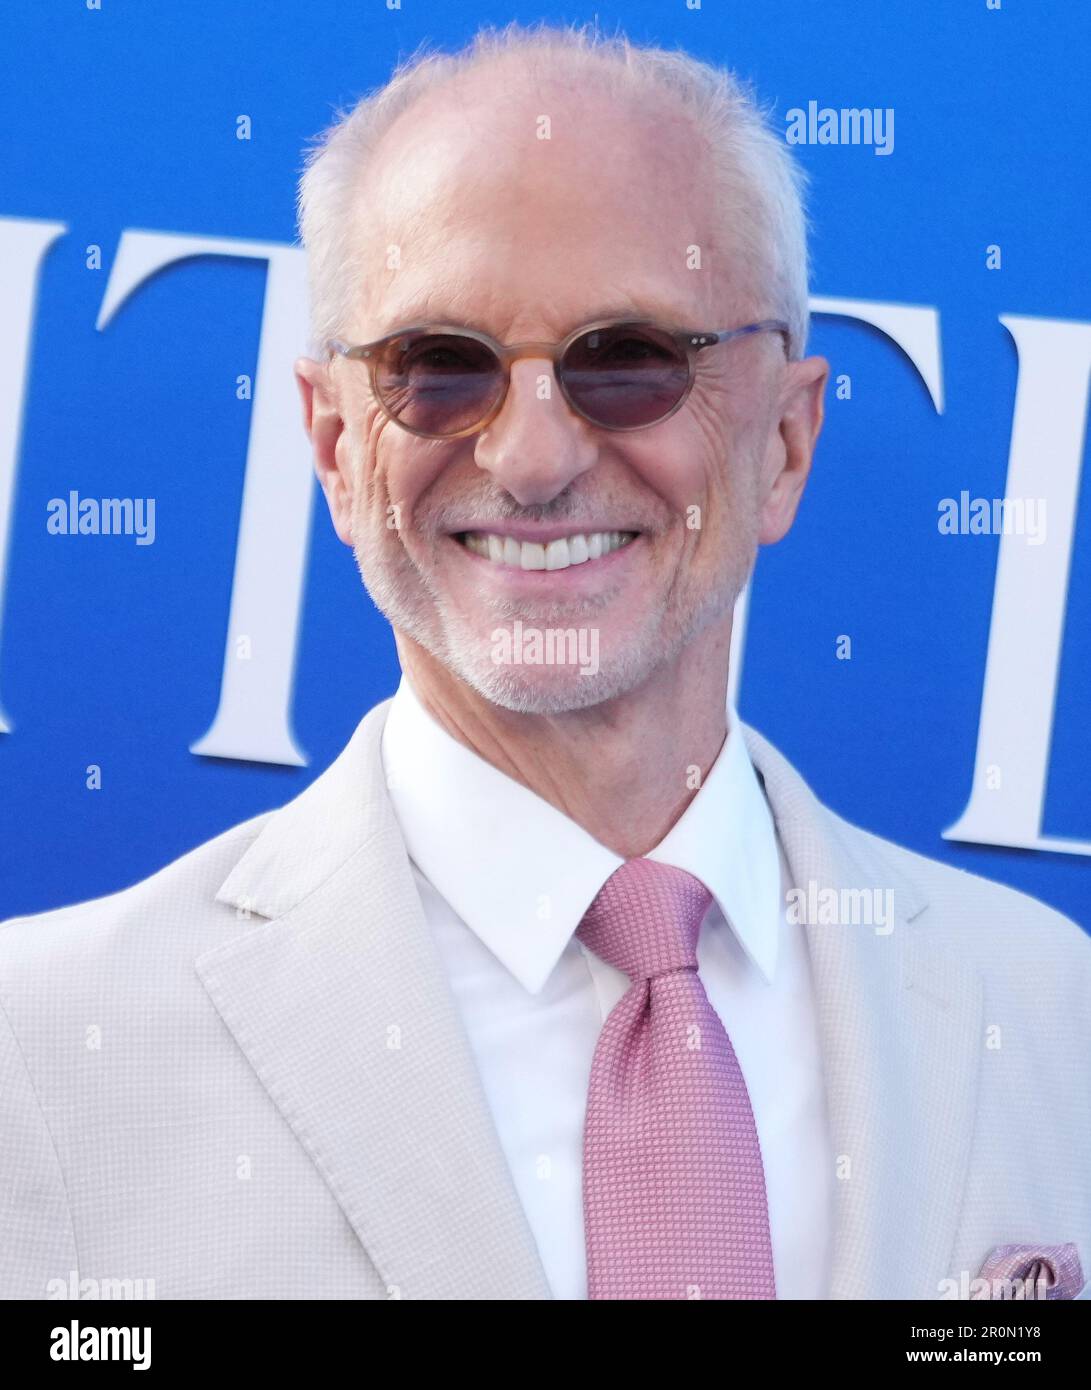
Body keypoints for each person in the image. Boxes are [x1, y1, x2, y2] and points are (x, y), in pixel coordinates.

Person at [2, 23, 1088, 1302]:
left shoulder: (1051, 1015)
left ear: (786, 442)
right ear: (337, 447)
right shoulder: (44, 1058)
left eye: (627, 360)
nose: (529, 457)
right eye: (438, 367)